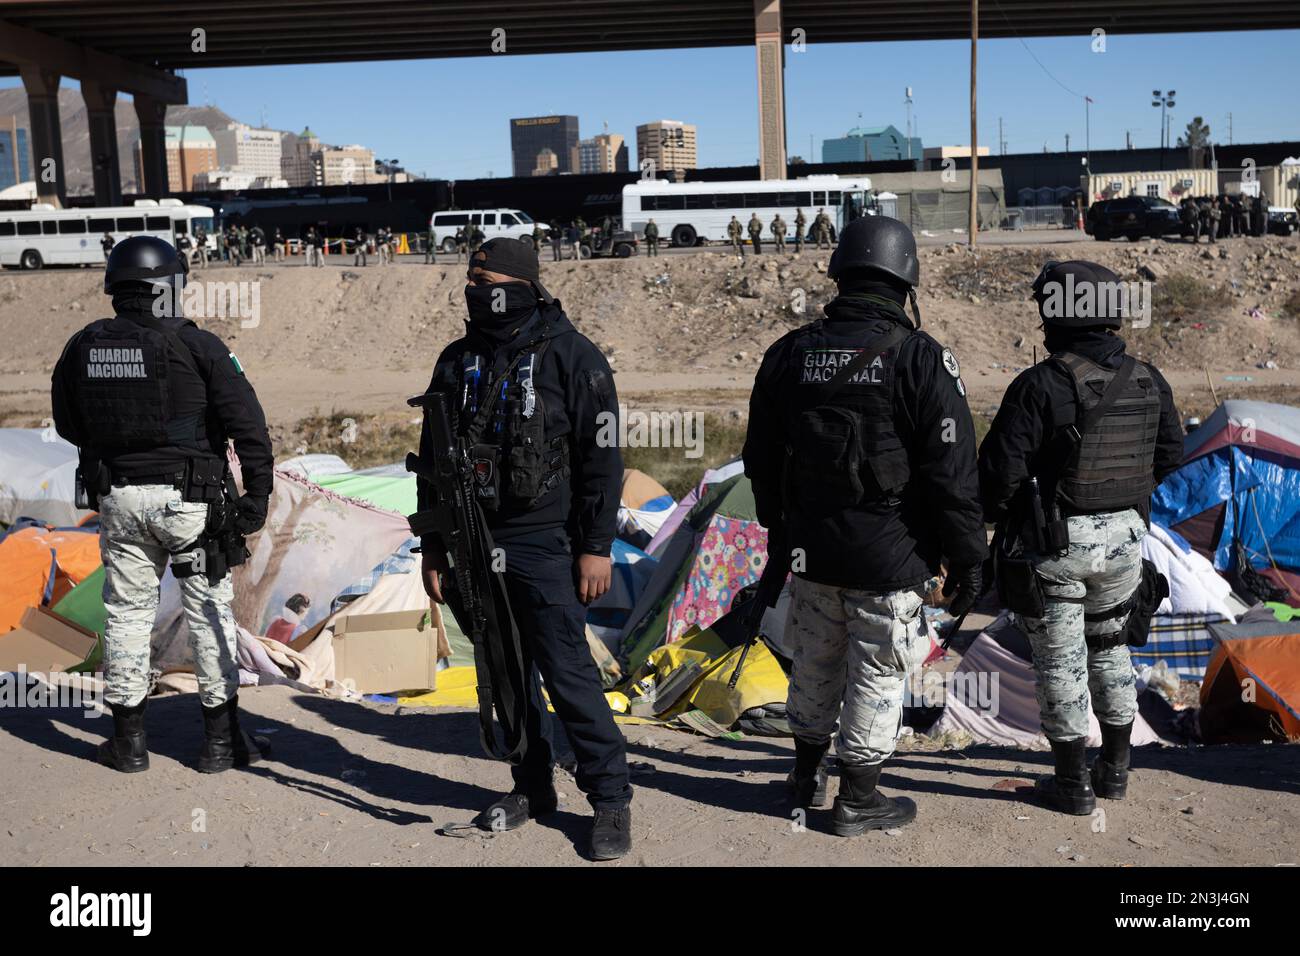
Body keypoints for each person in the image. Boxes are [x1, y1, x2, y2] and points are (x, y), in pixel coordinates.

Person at [742, 215, 986, 835]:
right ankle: (858, 799)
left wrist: (783, 532)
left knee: (816, 660)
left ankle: (802, 778)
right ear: (907, 282)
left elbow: (760, 459)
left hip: (812, 553)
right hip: (890, 557)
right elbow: (952, 473)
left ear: (840, 274)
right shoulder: (921, 358)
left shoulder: (789, 353)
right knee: (877, 671)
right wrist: (968, 557)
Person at [415, 237, 633, 859]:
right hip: (471, 543)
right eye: (470, 277)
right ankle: (531, 788)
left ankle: (610, 800)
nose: (474, 286)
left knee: (568, 674)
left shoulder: (575, 357)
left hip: (546, 543)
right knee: (505, 675)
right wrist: (433, 548)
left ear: (520, 283)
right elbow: (431, 460)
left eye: (484, 276)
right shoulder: (456, 360)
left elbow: (604, 460)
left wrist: (597, 547)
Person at [50, 236, 274, 775]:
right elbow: (250, 429)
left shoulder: (84, 346)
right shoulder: (201, 347)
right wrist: (257, 498)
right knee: (209, 613)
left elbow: (67, 424)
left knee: (126, 615)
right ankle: (221, 745)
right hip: (190, 505)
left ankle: (128, 744)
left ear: (116, 288)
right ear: (171, 286)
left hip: (121, 501)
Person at [977, 260, 1184, 816]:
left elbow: (996, 477)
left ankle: (1072, 785)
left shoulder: (1040, 384)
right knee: (1111, 651)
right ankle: (1114, 771)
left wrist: (1009, 520)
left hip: (1057, 548)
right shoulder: (1149, 378)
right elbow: (1171, 455)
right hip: (1125, 547)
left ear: (1057, 315)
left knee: (1063, 663)